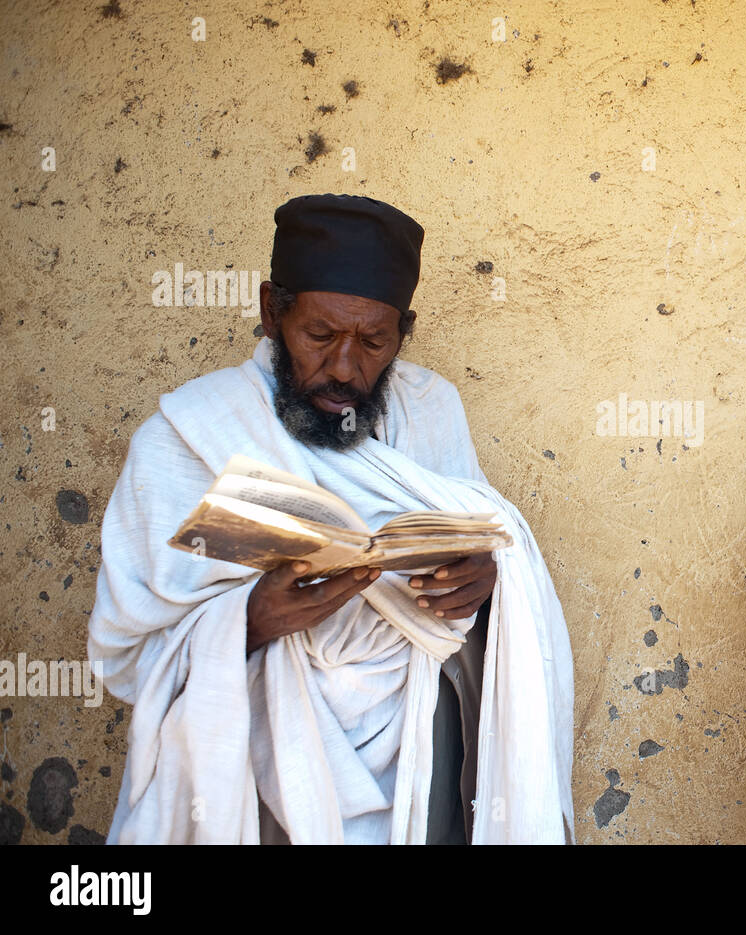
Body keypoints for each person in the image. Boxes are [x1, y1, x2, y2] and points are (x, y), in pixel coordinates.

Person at [88, 193, 574, 844]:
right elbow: (125, 654)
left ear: (402, 332)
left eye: (373, 341)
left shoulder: (431, 411)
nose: (345, 367)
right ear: (271, 311)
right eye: (320, 335)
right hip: (258, 767)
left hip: (421, 752)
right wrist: (252, 619)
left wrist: (488, 584)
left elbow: (488, 556)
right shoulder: (188, 437)